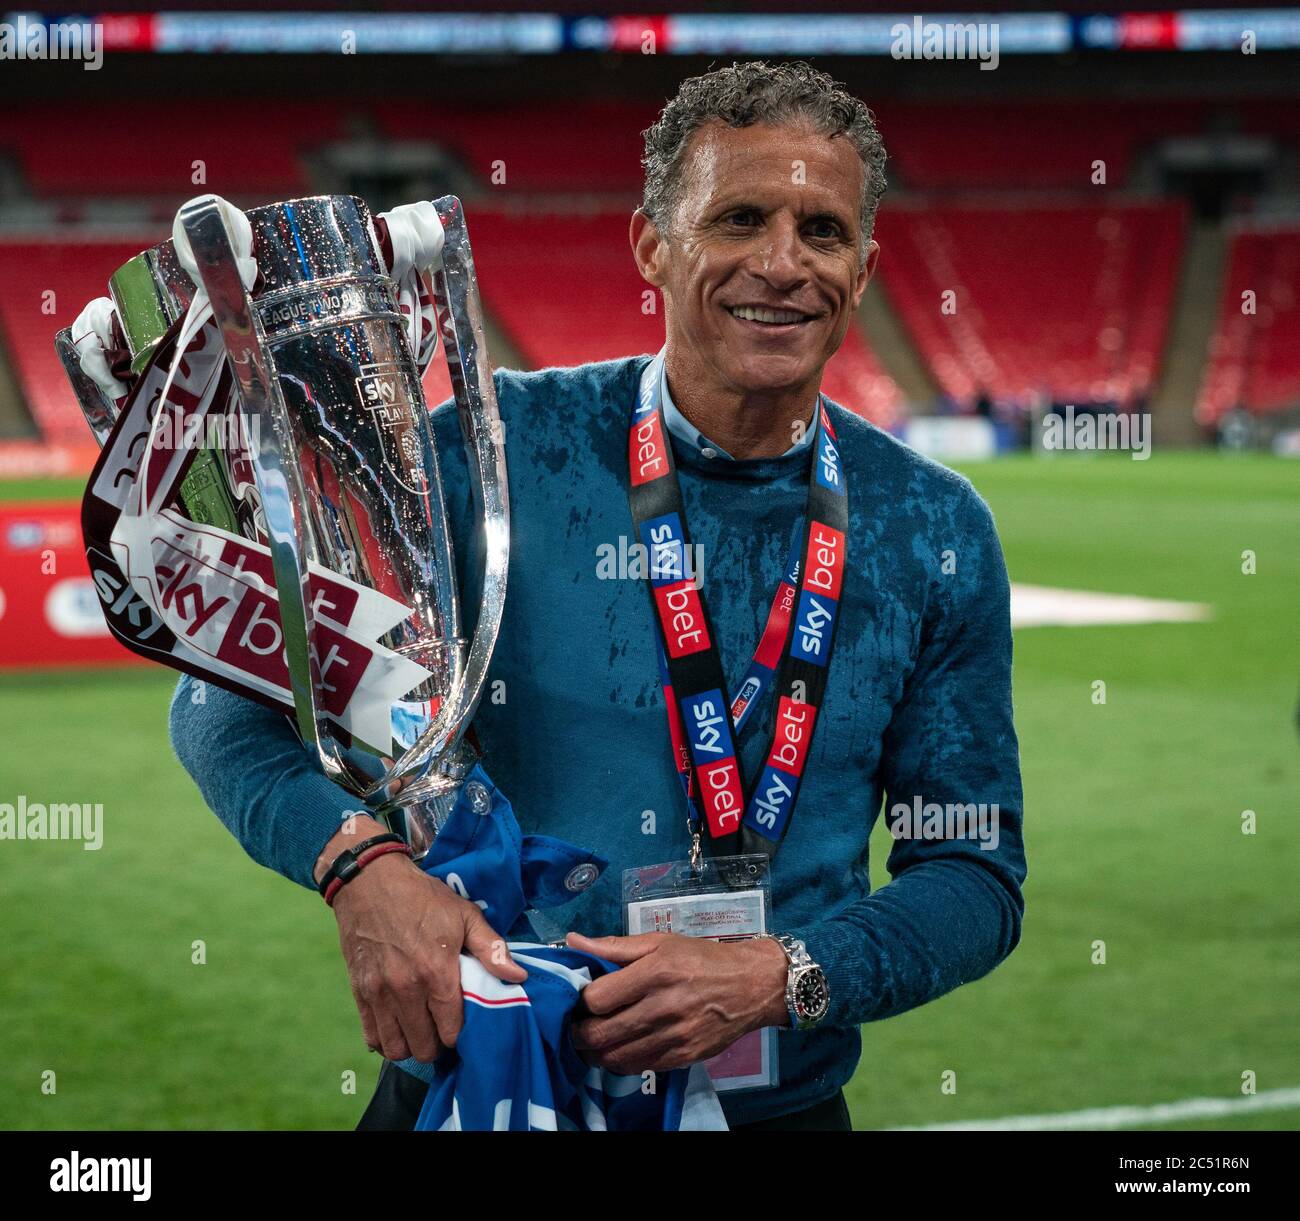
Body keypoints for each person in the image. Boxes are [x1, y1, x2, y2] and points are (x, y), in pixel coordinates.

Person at [169, 59, 1027, 1132]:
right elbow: (219, 704)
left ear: (861, 272)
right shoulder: (485, 459)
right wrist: (360, 867)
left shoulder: (932, 528)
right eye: (739, 218)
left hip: (780, 1108)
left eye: (822, 232)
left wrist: (779, 975)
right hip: (483, 1086)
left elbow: (974, 873)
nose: (781, 263)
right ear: (651, 247)